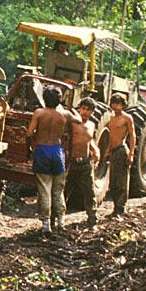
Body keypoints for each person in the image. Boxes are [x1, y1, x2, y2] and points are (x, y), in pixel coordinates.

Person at [27, 86, 81, 235]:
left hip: (42, 150)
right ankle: (61, 222)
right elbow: (79, 120)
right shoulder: (64, 114)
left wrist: (29, 147)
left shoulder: (39, 113)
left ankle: (45, 225)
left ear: (44, 98)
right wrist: (70, 108)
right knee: (58, 190)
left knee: (44, 189)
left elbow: (29, 132)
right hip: (57, 152)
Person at [65, 97, 101, 227]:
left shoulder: (91, 125)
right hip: (71, 163)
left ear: (92, 112)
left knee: (90, 192)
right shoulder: (72, 123)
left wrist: (95, 149)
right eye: (83, 109)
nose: (85, 112)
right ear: (79, 108)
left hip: (85, 163)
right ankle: (56, 221)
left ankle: (92, 221)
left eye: (88, 110)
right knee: (64, 192)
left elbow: (88, 140)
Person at [104, 93, 136, 217]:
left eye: (118, 104)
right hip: (113, 151)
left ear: (123, 105)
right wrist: (107, 150)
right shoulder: (111, 118)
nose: (115, 106)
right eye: (113, 103)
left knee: (122, 181)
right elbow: (110, 136)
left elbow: (132, 135)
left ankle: (121, 208)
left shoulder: (127, 118)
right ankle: (115, 208)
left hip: (122, 150)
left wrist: (131, 153)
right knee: (113, 182)